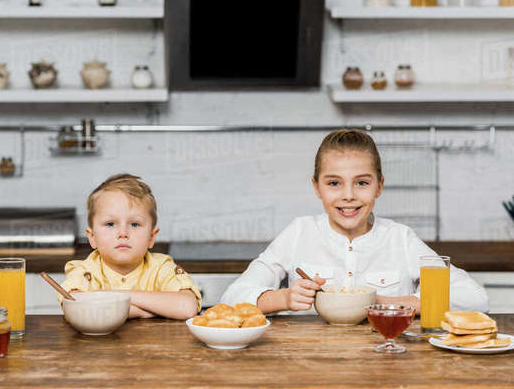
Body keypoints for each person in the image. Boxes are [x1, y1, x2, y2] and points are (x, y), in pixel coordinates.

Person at [221, 129, 489, 315]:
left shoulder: (400, 239)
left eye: (361, 182)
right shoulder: (299, 232)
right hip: (307, 363)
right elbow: (231, 297)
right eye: (334, 183)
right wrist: (283, 298)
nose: (348, 196)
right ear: (317, 187)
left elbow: (474, 298)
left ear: (379, 186)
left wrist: (391, 303)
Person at [60, 173, 201, 319]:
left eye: (134, 224)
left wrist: (118, 297)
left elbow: (187, 307)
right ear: (92, 237)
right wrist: (141, 311)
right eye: (110, 224)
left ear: (151, 237)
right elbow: (76, 308)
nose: (123, 233)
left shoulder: (161, 267)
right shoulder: (85, 270)